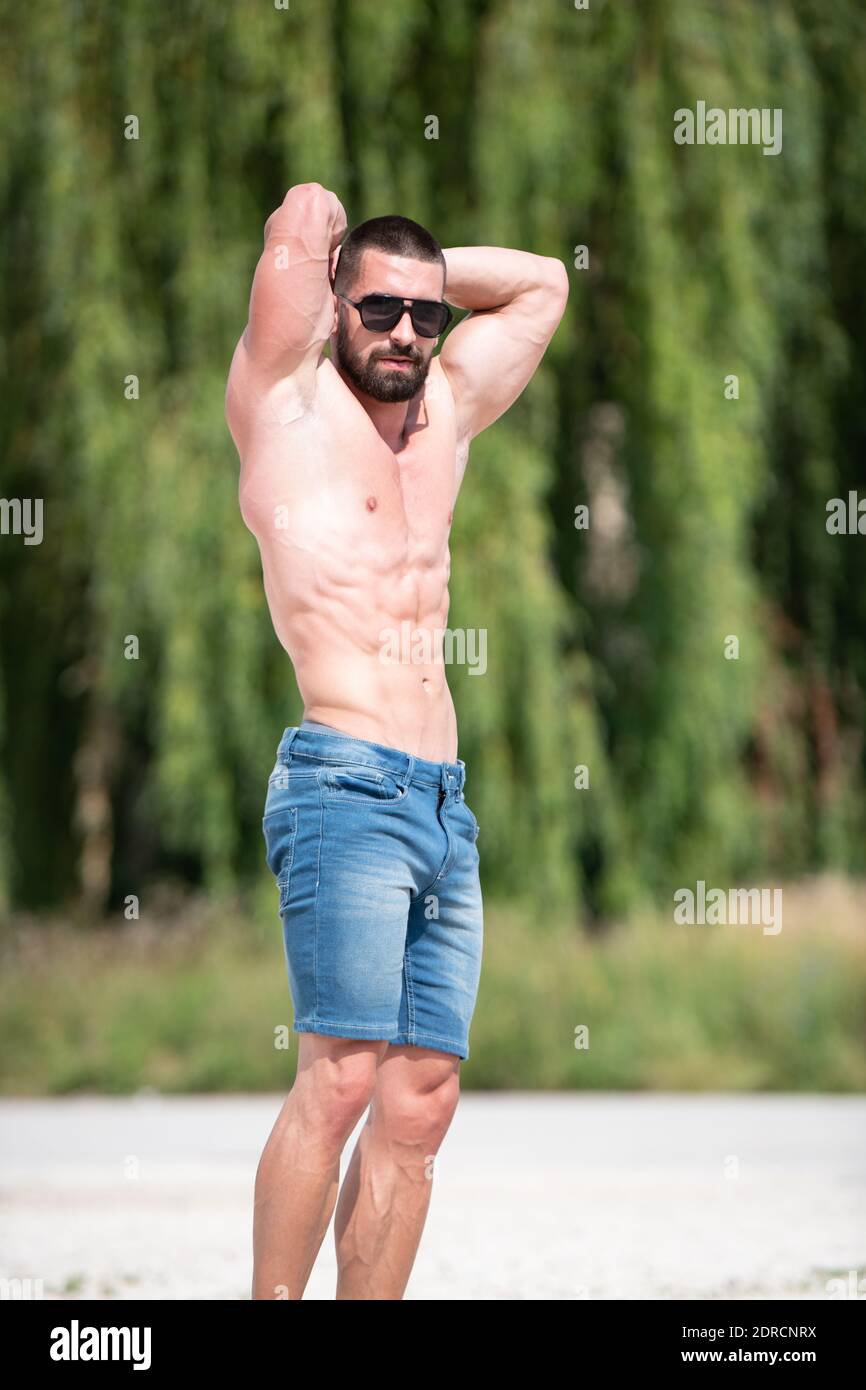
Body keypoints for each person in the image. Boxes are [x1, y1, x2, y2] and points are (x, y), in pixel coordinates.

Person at [225, 182, 568, 1299]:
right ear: (334, 308)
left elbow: (539, 285)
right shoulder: (284, 403)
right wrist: (348, 267)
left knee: (421, 1092)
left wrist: (413, 269)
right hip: (344, 784)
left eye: (423, 314)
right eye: (379, 311)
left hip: (439, 803)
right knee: (339, 1078)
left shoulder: (449, 414)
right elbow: (303, 219)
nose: (406, 333)